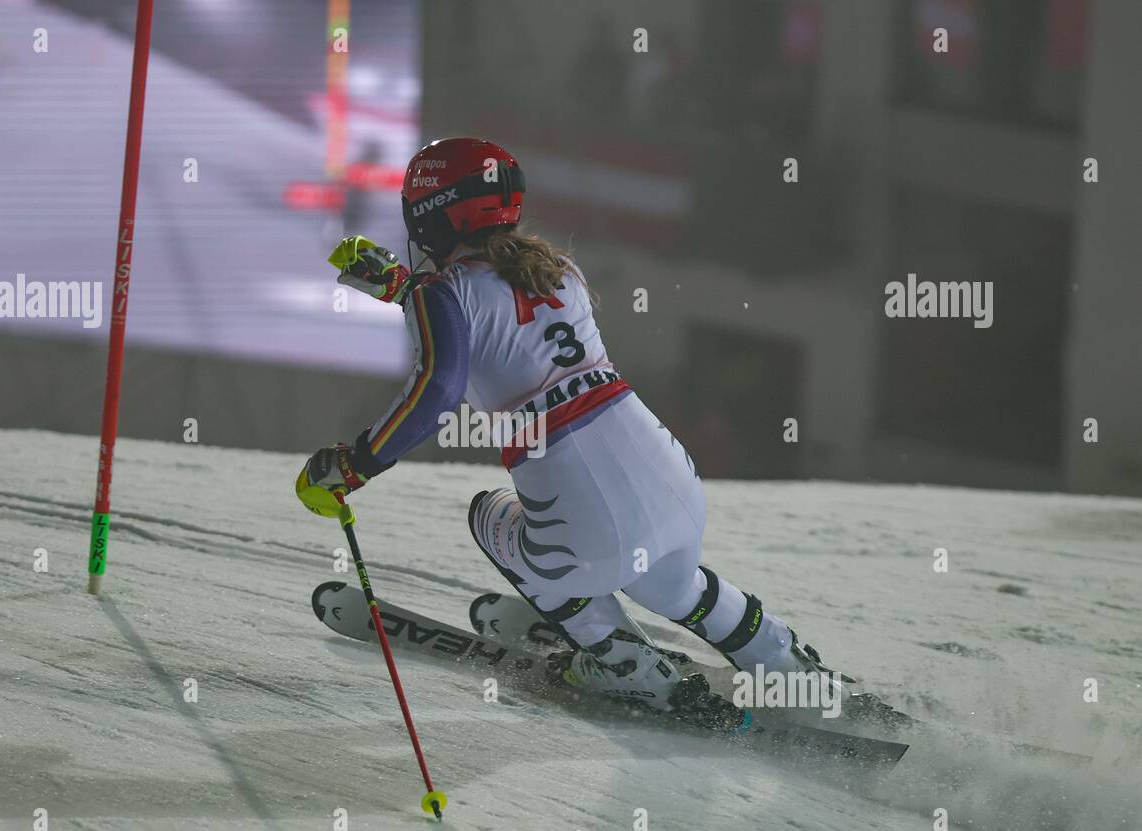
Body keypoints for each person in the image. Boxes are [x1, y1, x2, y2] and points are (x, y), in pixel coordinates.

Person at [296, 138, 835, 712]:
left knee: (490, 516)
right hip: (671, 480)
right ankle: (788, 664)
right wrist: (405, 289)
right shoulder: (560, 269)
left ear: (430, 214)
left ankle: (624, 660)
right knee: (675, 584)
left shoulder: (441, 294)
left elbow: (438, 389)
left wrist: (355, 463)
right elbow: (502, 314)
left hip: (581, 514)